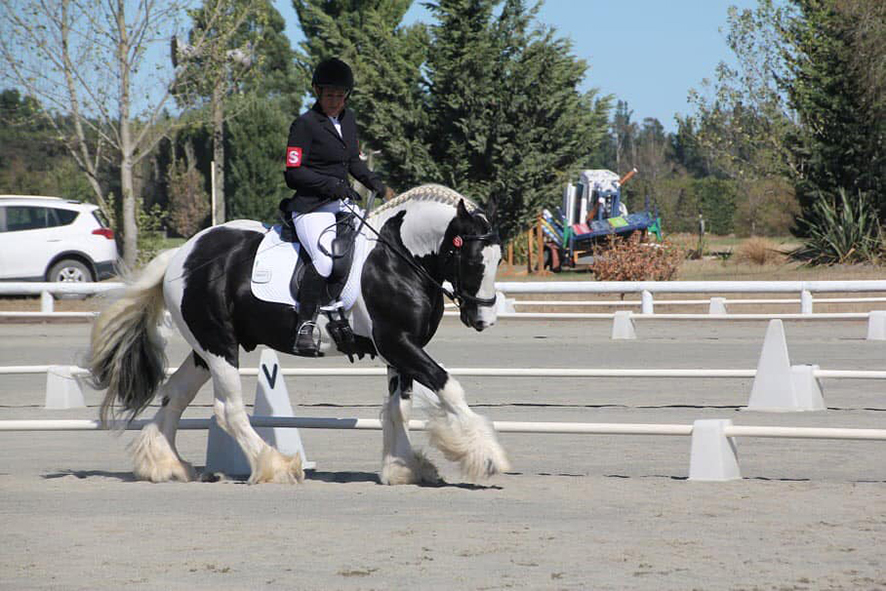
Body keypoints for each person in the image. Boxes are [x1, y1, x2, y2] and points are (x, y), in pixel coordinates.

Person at [283, 57, 393, 356]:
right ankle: (305, 325)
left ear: (347, 96)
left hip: (339, 206)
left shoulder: (348, 119)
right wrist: (333, 185)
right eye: (328, 95)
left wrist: (377, 185)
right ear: (318, 92)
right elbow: (293, 173)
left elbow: (354, 163)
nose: (334, 101)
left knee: (373, 245)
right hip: (310, 208)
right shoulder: (304, 124)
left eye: (339, 95)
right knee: (324, 260)